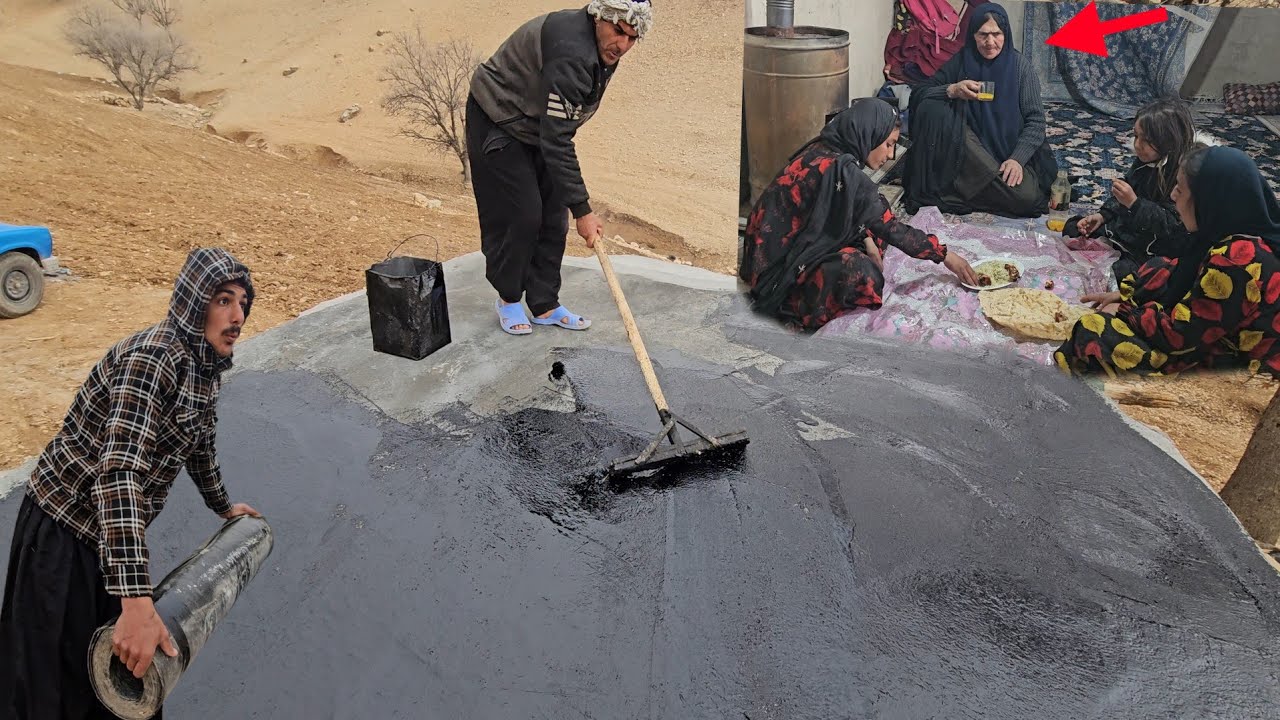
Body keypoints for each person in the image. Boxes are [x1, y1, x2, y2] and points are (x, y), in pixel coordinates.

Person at [0, 248, 264, 719]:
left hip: (108, 540)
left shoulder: (203, 369)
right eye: (224, 300)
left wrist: (224, 506)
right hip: (62, 537)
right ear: (193, 302)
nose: (237, 315)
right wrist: (138, 602)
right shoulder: (153, 361)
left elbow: (198, 445)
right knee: (51, 687)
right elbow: (119, 475)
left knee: (117, 675)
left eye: (243, 303)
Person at [465, 0, 653, 336]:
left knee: (553, 217)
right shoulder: (572, 51)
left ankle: (544, 304)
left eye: (632, 38)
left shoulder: (603, 46)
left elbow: (558, 130)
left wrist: (571, 206)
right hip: (499, 118)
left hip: (538, 125)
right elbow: (557, 140)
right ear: (599, 17)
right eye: (618, 32)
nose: (622, 45)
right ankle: (508, 298)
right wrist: (583, 210)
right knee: (523, 214)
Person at [740, 98, 979, 332]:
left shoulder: (822, 148)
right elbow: (894, 230)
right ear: (869, 134)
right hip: (776, 271)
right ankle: (798, 304)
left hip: (769, 253)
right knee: (863, 274)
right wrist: (947, 256)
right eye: (888, 144)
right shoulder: (844, 172)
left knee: (875, 225)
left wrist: (867, 240)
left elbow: (859, 212)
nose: (891, 155)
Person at [1054, 145, 1280, 379]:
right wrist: (1129, 295)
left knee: (1091, 330)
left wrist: (1127, 311)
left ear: (1207, 200)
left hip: (1235, 366)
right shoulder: (1233, 228)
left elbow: (1179, 336)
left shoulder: (1237, 259)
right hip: (1210, 332)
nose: (1172, 196)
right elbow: (1178, 272)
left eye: (1180, 191)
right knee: (1161, 266)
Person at [900, 2, 1059, 218]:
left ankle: (964, 190)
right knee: (932, 107)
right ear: (973, 35)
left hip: (1006, 153)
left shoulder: (1021, 68)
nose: (990, 42)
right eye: (983, 34)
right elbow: (921, 93)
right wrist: (953, 89)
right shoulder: (963, 61)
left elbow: (1036, 121)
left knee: (1029, 198)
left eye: (997, 34)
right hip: (968, 153)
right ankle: (974, 186)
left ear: (1006, 34)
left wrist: (1017, 159)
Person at [1064, 97, 1197, 284]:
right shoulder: (1144, 161)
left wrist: (1135, 204)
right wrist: (1102, 215)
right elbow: (1122, 195)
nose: (1137, 145)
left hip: (1153, 246)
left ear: (1169, 140)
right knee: (1072, 227)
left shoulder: (1181, 175)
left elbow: (1174, 227)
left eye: (1147, 140)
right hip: (1126, 230)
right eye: (1136, 136)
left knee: (1123, 274)